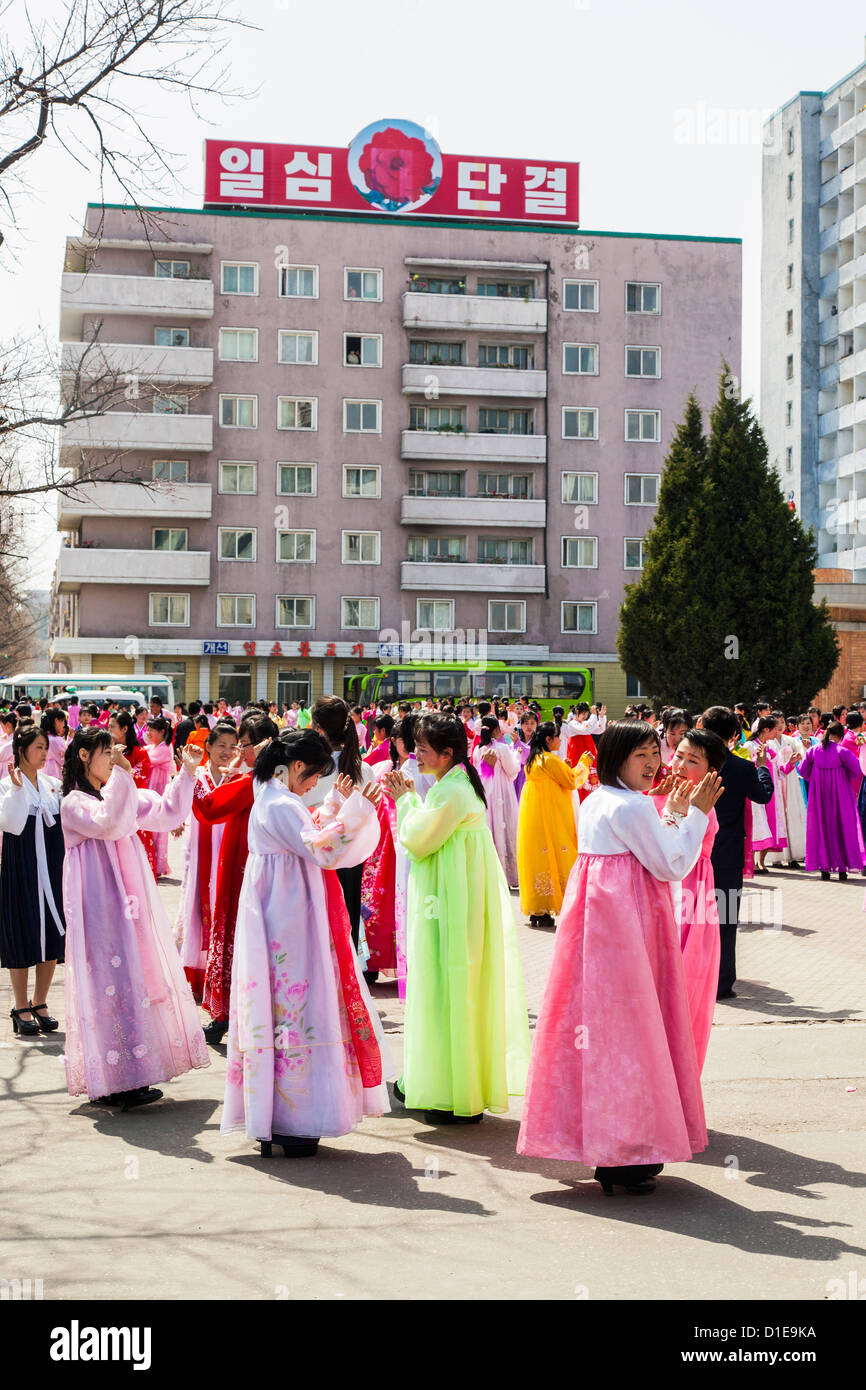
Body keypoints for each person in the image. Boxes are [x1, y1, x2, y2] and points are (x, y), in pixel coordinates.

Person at [516, 720, 723, 1194]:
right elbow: (670, 862)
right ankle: (625, 1153)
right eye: (641, 755)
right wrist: (694, 814)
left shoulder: (598, 800)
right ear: (616, 759)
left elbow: (651, 847)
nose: (654, 763)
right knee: (632, 1037)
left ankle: (613, 1147)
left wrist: (671, 811)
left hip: (600, 937)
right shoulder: (629, 805)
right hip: (628, 936)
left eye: (656, 753)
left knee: (600, 1035)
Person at [220, 730, 392, 1157]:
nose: (315, 785)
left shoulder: (273, 795)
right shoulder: (279, 802)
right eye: (314, 776)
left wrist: (337, 806)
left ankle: (277, 1119)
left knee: (281, 1012)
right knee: (296, 1009)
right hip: (289, 919)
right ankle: (293, 1121)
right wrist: (360, 810)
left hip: (282, 911)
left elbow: (309, 831)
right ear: (297, 767)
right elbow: (322, 848)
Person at [382, 714, 530, 1125]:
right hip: (457, 904)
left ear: (447, 754)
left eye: (423, 748)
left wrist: (404, 799)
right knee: (461, 991)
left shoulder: (452, 792)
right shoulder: (459, 783)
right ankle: (456, 1088)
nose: (416, 754)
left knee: (448, 988)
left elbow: (418, 839)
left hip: (450, 907)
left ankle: (449, 1094)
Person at [60, 728, 210, 1110]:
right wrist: (124, 775)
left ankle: (132, 1074)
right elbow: (107, 821)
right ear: (83, 757)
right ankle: (111, 1081)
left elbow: (167, 813)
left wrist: (186, 773)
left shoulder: (121, 791)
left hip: (128, 904)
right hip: (99, 906)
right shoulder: (74, 802)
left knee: (132, 978)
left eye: (113, 751)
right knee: (106, 983)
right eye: (105, 752)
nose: (112, 758)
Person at [193, 714, 278, 1044]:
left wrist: (193, 773)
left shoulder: (252, 783)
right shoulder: (277, 781)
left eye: (243, 745)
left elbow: (208, 807)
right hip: (262, 872)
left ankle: (224, 1014)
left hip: (242, 869)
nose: (239, 751)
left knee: (233, 932)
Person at [653, 728, 727, 1071]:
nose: (680, 764)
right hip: (660, 895)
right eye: (678, 754)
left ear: (711, 772)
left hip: (691, 899)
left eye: (692, 760)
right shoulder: (655, 791)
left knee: (684, 988)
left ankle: (677, 1079)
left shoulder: (702, 804)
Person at [699, 707, 773, 999]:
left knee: (692, 915)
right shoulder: (742, 767)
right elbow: (763, 795)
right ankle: (722, 982)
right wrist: (763, 766)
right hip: (727, 851)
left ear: (703, 727)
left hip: (693, 850)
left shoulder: (693, 764)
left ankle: (693, 976)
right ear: (733, 735)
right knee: (726, 920)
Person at [0, 725, 66, 1036]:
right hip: (21, 869)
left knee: (52, 932)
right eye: (38, 747)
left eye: (45, 747)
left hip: (52, 868)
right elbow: (11, 825)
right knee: (22, 931)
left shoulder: (54, 785)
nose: (44, 753)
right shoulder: (5, 785)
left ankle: (40, 1001)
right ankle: (19, 1005)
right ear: (22, 749)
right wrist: (15, 790)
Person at [173, 722, 239, 997]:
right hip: (200, 849)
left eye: (231, 746)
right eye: (220, 745)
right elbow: (178, 800)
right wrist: (177, 820)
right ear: (208, 747)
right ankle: (198, 975)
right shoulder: (196, 773)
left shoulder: (237, 775)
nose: (226, 751)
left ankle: (223, 973)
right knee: (198, 905)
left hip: (228, 849)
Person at [517, 721, 590, 929]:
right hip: (552, 820)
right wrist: (584, 762)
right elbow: (572, 781)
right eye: (557, 736)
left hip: (535, 821)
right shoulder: (549, 760)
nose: (560, 740)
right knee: (561, 856)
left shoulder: (533, 761)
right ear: (548, 740)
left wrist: (564, 767)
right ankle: (565, 905)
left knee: (539, 859)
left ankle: (538, 910)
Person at [798, 723, 864, 881]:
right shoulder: (842, 751)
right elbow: (858, 770)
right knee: (842, 828)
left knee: (822, 829)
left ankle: (824, 869)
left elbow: (802, 770)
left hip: (819, 797)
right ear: (840, 736)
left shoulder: (814, 750)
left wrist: (814, 777)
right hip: (841, 796)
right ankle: (842, 870)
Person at [471, 715, 520, 888]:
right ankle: (508, 874)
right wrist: (517, 754)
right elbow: (512, 769)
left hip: (486, 791)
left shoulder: (477, 749)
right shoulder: (502, 747)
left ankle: (491, 874)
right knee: (506, 827)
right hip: (502, 792)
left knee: (490, 828)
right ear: (497, 731)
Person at [109, 710, 158, 879]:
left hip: (135, 808)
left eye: (111, 727)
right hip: (113, 806)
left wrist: (123, 766)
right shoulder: (106, 752)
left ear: (124, 729)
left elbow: (140, 777)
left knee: (139, 853)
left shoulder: (140, 752)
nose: (108, 730)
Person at [746, 716, 786, 872]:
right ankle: (751, 861)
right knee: (758, 825)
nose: (777, 731)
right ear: (766, 730)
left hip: (770, 790)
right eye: (775, 728)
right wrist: (757, 759)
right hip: (756, 790)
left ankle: (761, 862)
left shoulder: (771, 747)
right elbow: (747, 765)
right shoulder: (750, 745)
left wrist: (790, 764)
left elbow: (779, 769)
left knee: (769, 824)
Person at [145, 717, 175, 876]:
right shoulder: (153, 747)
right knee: (150, 827)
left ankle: (156, 865)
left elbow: (147, 759)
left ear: (162, 732)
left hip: (158, 792)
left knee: (156, 830)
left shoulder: (163, 749)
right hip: (151, 790)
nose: (148, 733)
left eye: (151, 730)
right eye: (148, 730)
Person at [40, 708, 69, 781]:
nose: (64, 725)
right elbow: (66, 760)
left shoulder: (40, 737)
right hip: (54, 775)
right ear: (56, 721)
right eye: (63, 721)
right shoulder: (56, 740)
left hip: (41, 774)